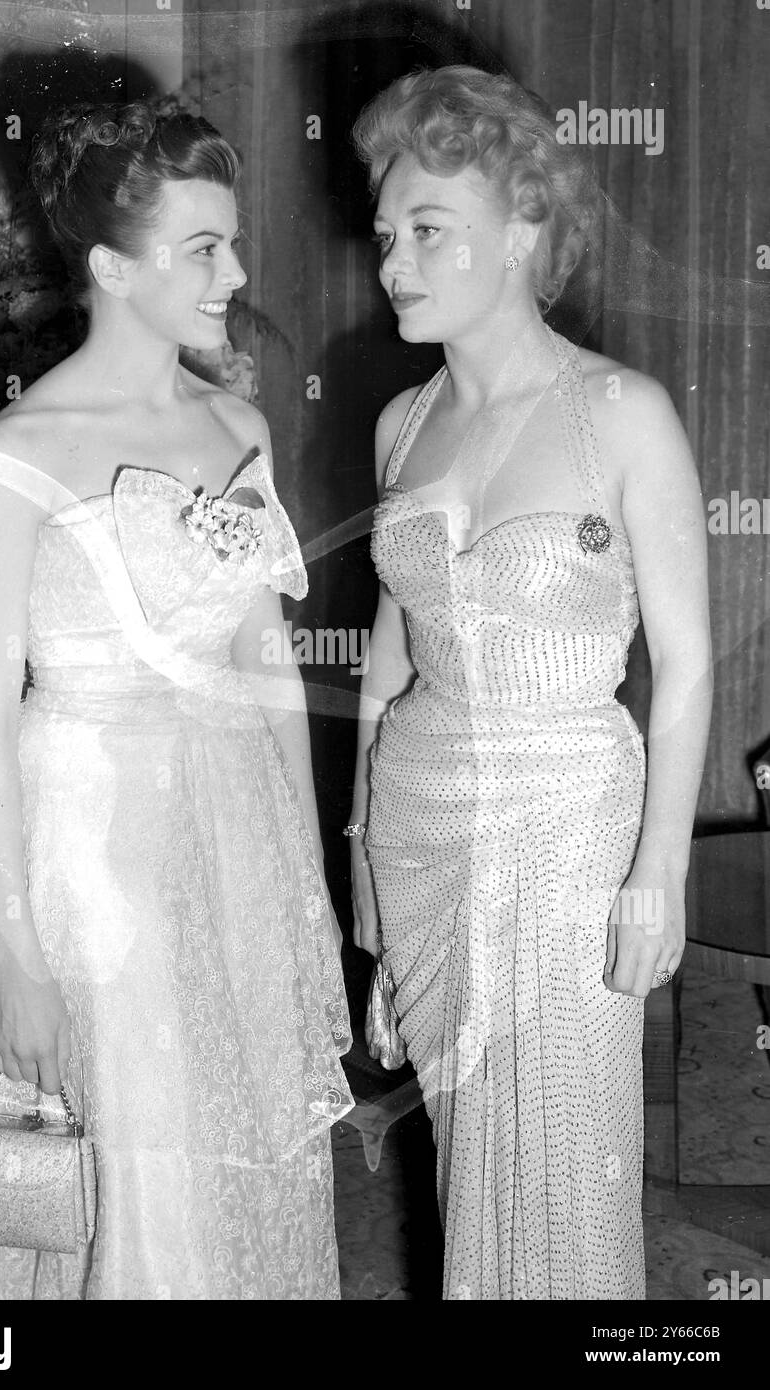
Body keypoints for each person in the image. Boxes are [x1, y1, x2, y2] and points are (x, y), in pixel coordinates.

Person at [0, 96, 353, 1300]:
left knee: (227, 1170)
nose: (237, 270)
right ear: (109, 266)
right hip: (82, 866)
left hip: (230, 847)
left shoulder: (237, 421)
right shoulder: (19, 451)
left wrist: (300, 887)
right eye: (203, 247)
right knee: (111, 1191)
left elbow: (264, 668)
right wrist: (16, 958)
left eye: (231, 240)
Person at [347, 65, 712, 1300]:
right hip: (418, 824)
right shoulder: (400, 424)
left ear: (522, 233)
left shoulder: (622, 414)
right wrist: (358, 854)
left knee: (567, 1151)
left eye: (429, 230)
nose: (394, 259)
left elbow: (689, 663)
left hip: (569, 825)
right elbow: (389, 657)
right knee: (461, 1155)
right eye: (389, 232)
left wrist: (659, 865)